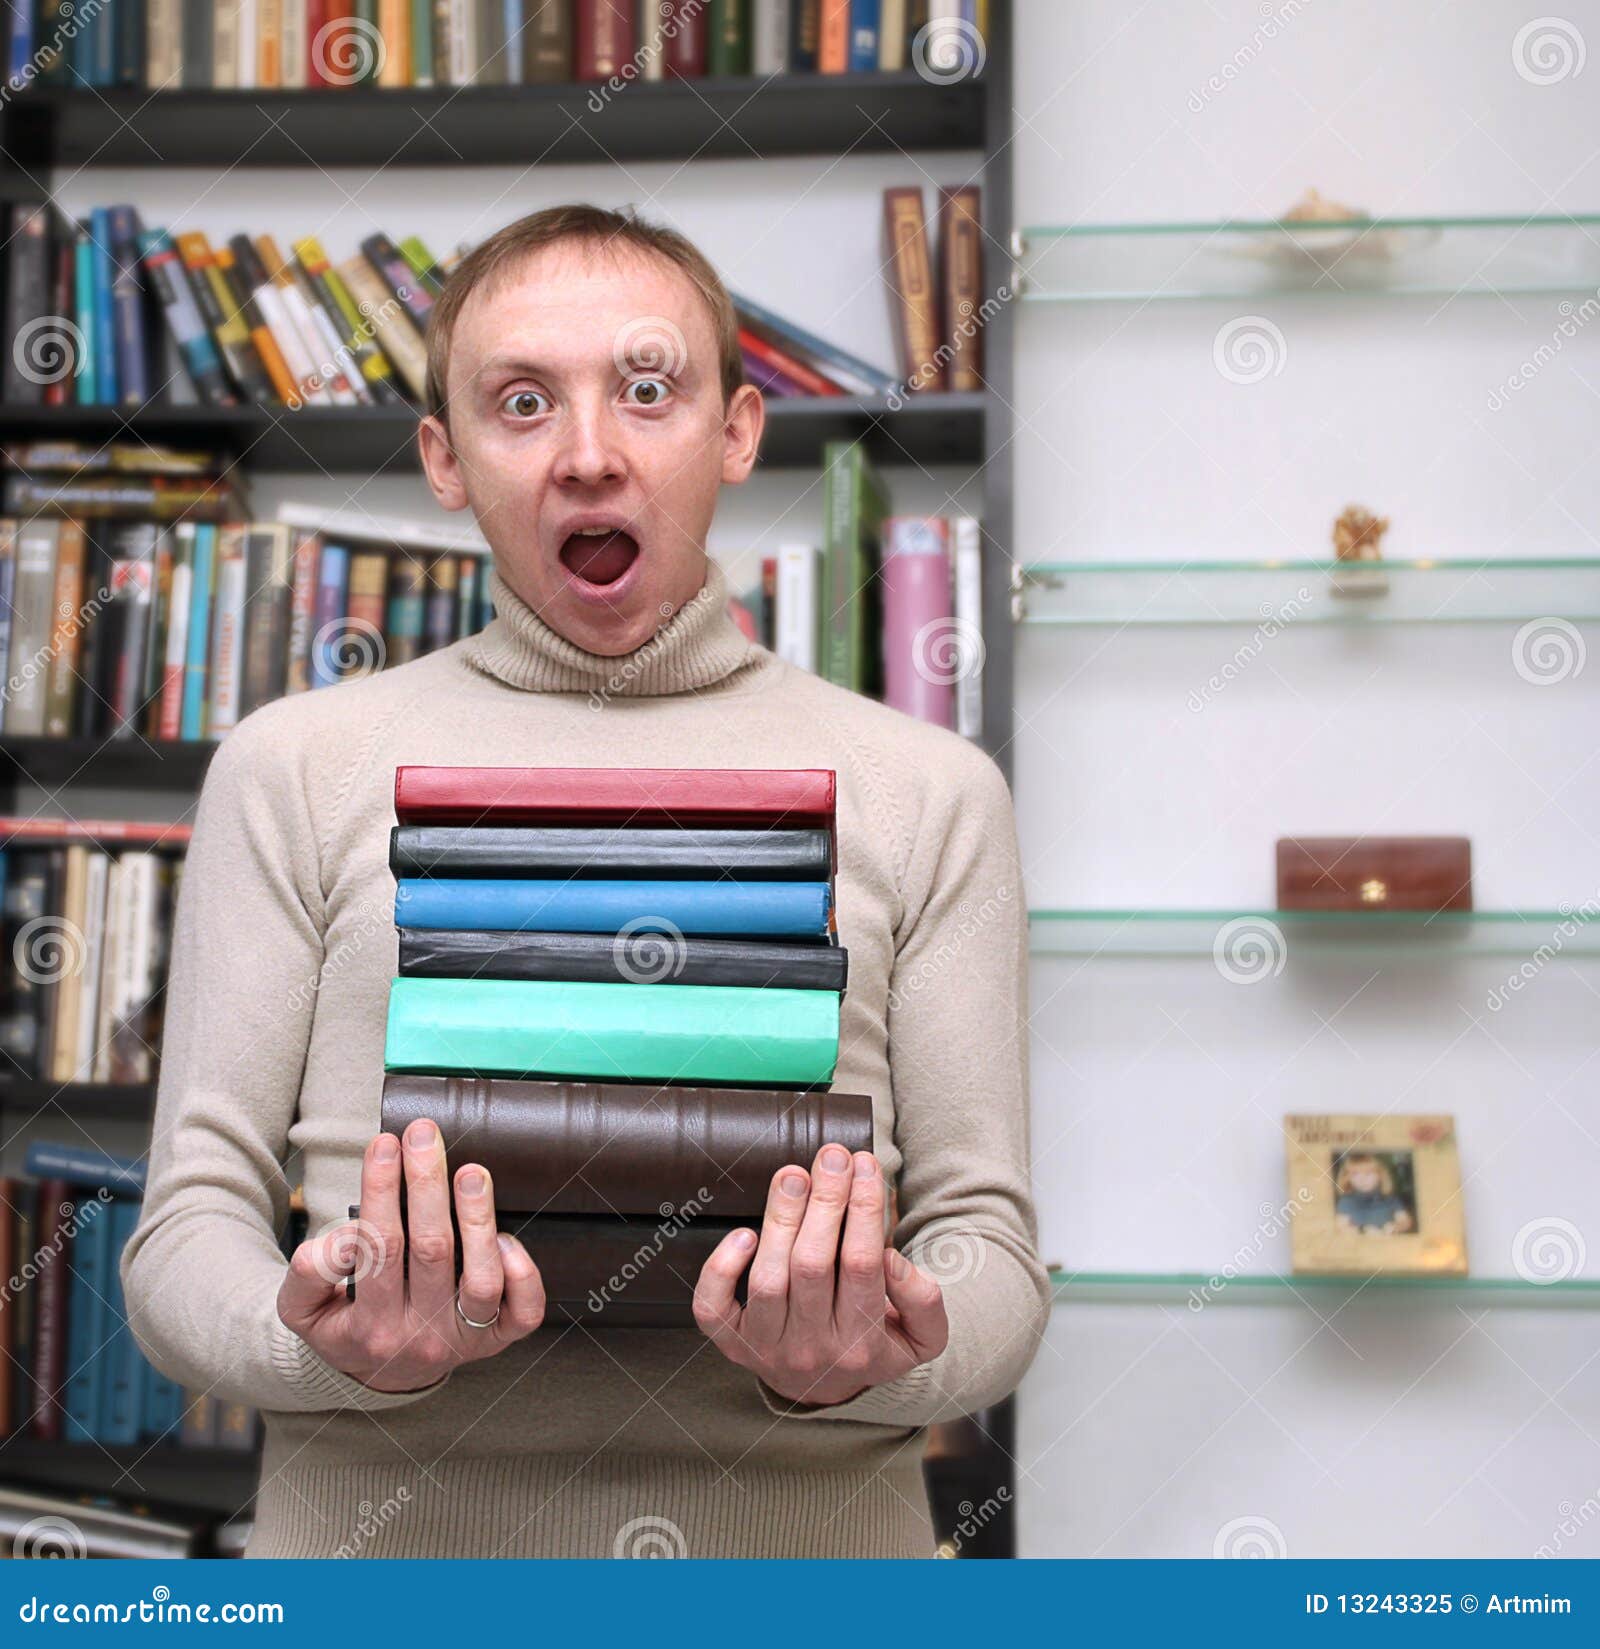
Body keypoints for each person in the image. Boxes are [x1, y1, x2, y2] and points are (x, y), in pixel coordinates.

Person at [122, 204, 1049, 1559]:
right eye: (519, 403)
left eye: (647, 390)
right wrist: (321, 1339)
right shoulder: (291, 768)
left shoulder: (932, 790)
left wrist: (870, 1351)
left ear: (736, 430)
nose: (589, 456)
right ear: (445, 459)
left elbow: (995, 1256)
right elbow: (184, 1232)